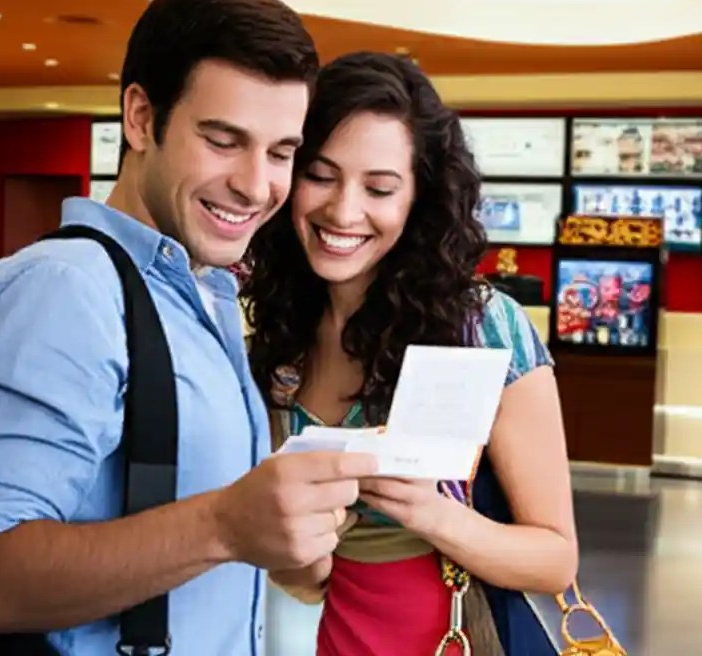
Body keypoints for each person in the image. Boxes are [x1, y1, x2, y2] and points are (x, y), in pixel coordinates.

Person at [0, 0, 376, 655]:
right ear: (141, 119)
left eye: (281, 153)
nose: (256, 185)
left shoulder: (203, 293)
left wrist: (284, 539)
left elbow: (189, 537)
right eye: (223, 139)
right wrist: (226, 526)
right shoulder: (66, 289)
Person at [241, 52, 577, 655]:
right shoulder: (274, 339)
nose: (343, 212)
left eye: (379, 188)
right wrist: (301, 546)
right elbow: (306, 582)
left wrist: (432, 514)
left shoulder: (483, 325)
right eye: (320, 175)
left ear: (419, 200)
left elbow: (555, 560)